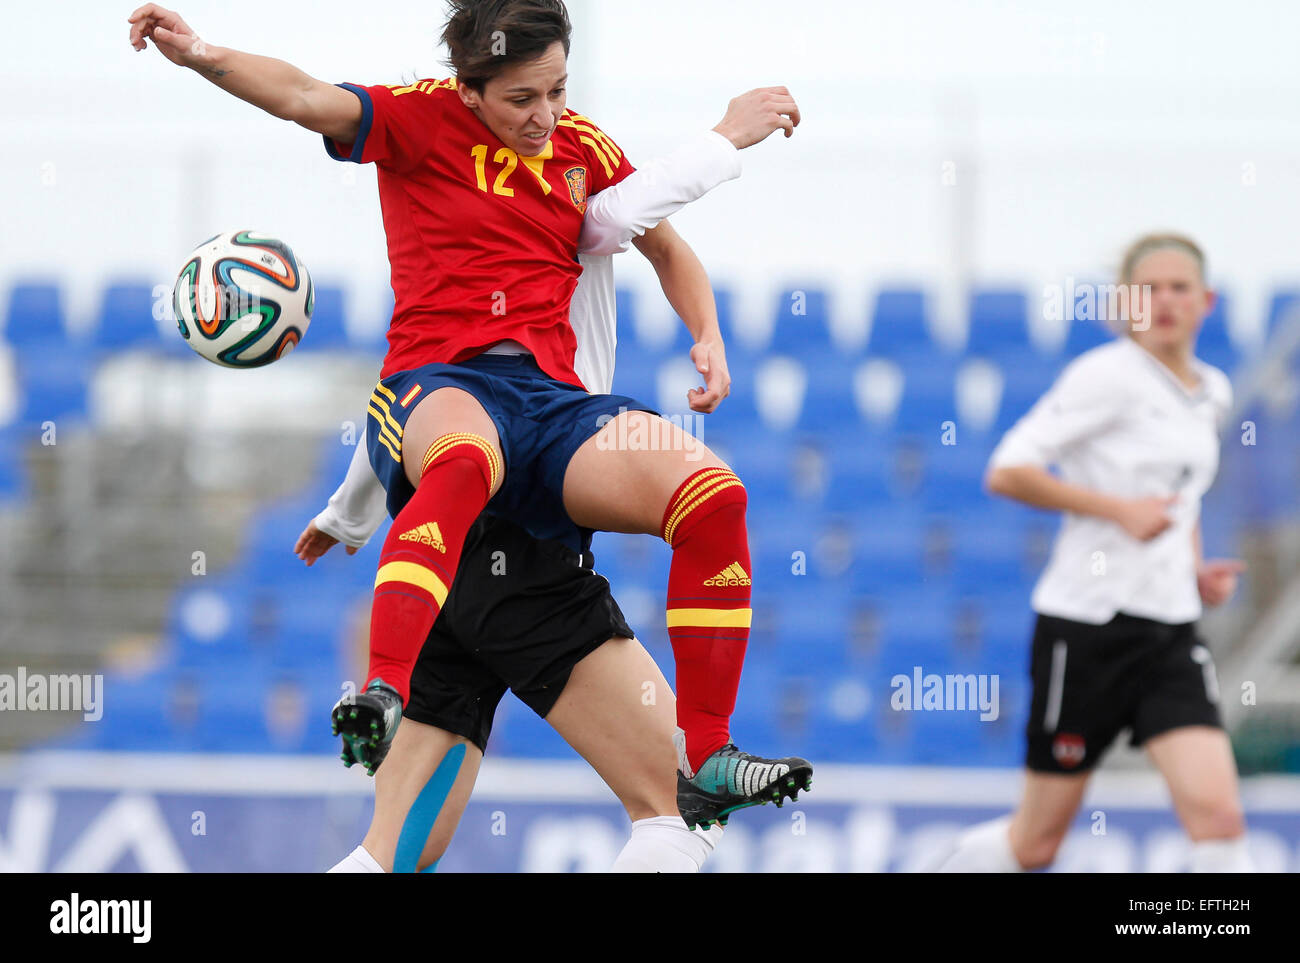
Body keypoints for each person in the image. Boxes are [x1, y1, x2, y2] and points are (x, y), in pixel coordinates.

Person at [128, 0, 811, 830]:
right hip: (436, 383)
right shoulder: (416, 120)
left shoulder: (582, 149)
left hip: (553, 407)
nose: (545, 115)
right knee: (463, 459)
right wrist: (200, 53)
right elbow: (303, 95)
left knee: (714, 495)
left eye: (557, 90)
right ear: (471, 89)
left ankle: (708, 753)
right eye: (522, 98)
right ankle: (383, 688)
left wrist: (706, 332)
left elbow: (663, 245)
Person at [306, 111, 782, 872]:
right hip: (522, 542)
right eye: (537, 90)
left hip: (449, 544)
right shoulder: (569, 185)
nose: (546, 111)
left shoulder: (460, 222)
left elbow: (414, 397)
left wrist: (349, 509)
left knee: (394, 854)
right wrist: (728, 135)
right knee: (681, 813)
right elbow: (637, 215)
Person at [938, 233, 1253, 872]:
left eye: (1180, 287)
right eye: (1149, 289)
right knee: (1036, 845)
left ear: (1207, 301)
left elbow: (1182, 498)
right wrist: (1118, 511)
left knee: (1219, 820)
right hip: (1086, 631)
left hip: (1170, 635)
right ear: (1125, 302)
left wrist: (1195, 571)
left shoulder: (1214, 392)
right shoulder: (1105, 377)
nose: (1165, 301)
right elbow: (1008, 470)